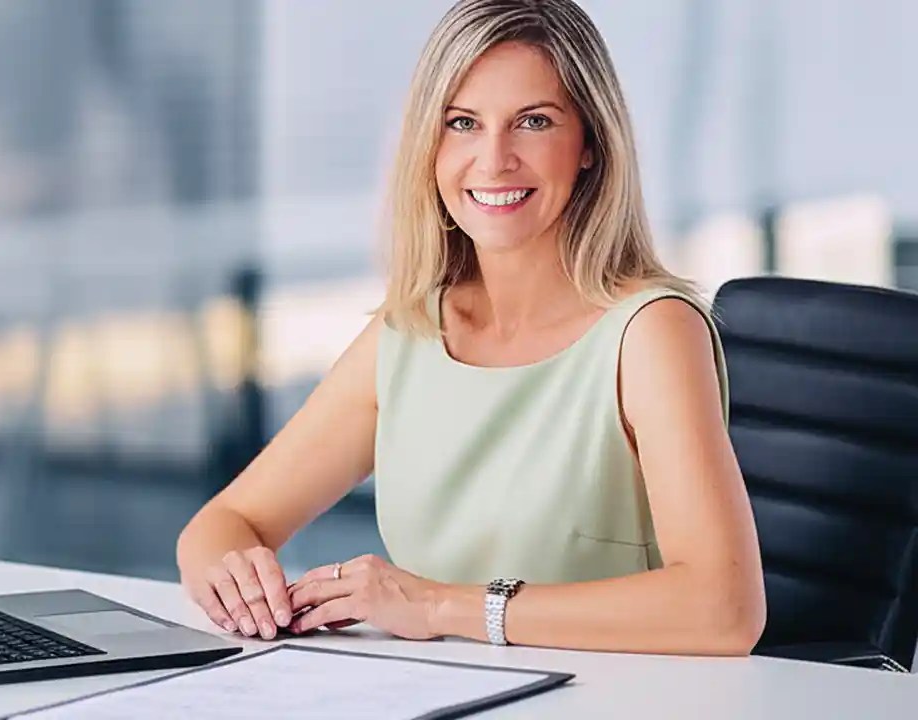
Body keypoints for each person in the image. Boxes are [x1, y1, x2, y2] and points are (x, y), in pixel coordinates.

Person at [176, 0, 766, 655]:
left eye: (534, 122)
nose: (494, 160)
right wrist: (234, 578)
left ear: (591, 145)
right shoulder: (412, 332)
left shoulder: (651, 334)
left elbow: (725, 611)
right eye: (463, 123)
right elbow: (226, 522)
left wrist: (437, 606)